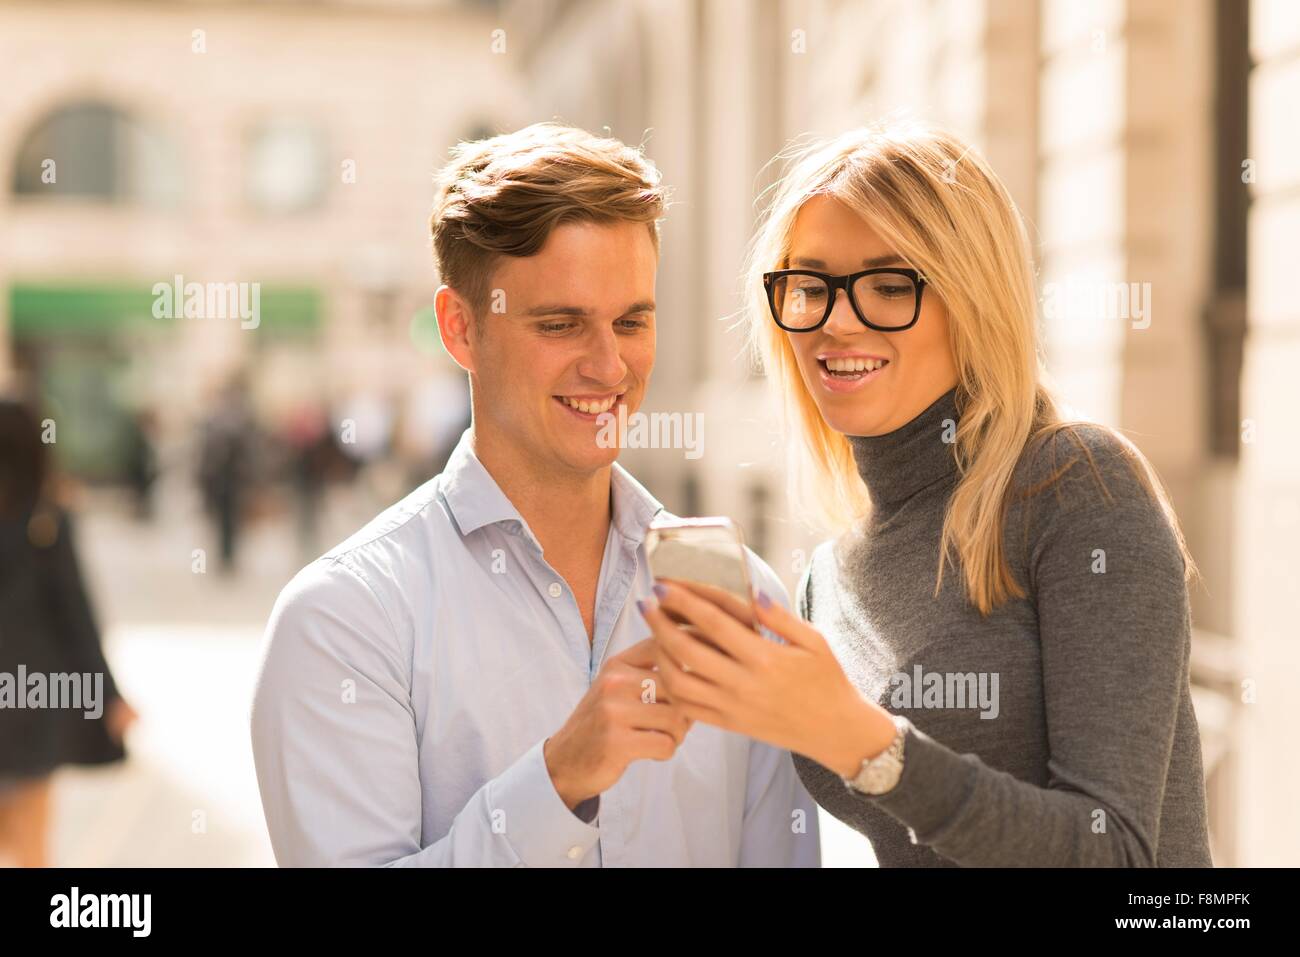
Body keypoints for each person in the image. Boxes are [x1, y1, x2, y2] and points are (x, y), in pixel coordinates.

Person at [641, 122, 1213, 867]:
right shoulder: (828, 578)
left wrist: (866, 744)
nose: (836, 320)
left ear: (972, 300)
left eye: (888, 285)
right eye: (810, 286)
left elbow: (1117, 853)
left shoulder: (1076, 486)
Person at [250, 123, 819, 867]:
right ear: (459, 328)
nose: (609, 365)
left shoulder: (742, 601)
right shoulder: (344, 621)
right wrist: (557, 781)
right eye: (561, 324)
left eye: (632, 321)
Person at [0, 396, 136, 867]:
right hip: (29, 701)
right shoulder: (47, 518)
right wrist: (110, 696)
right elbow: (77, 616)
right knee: (33, 849)